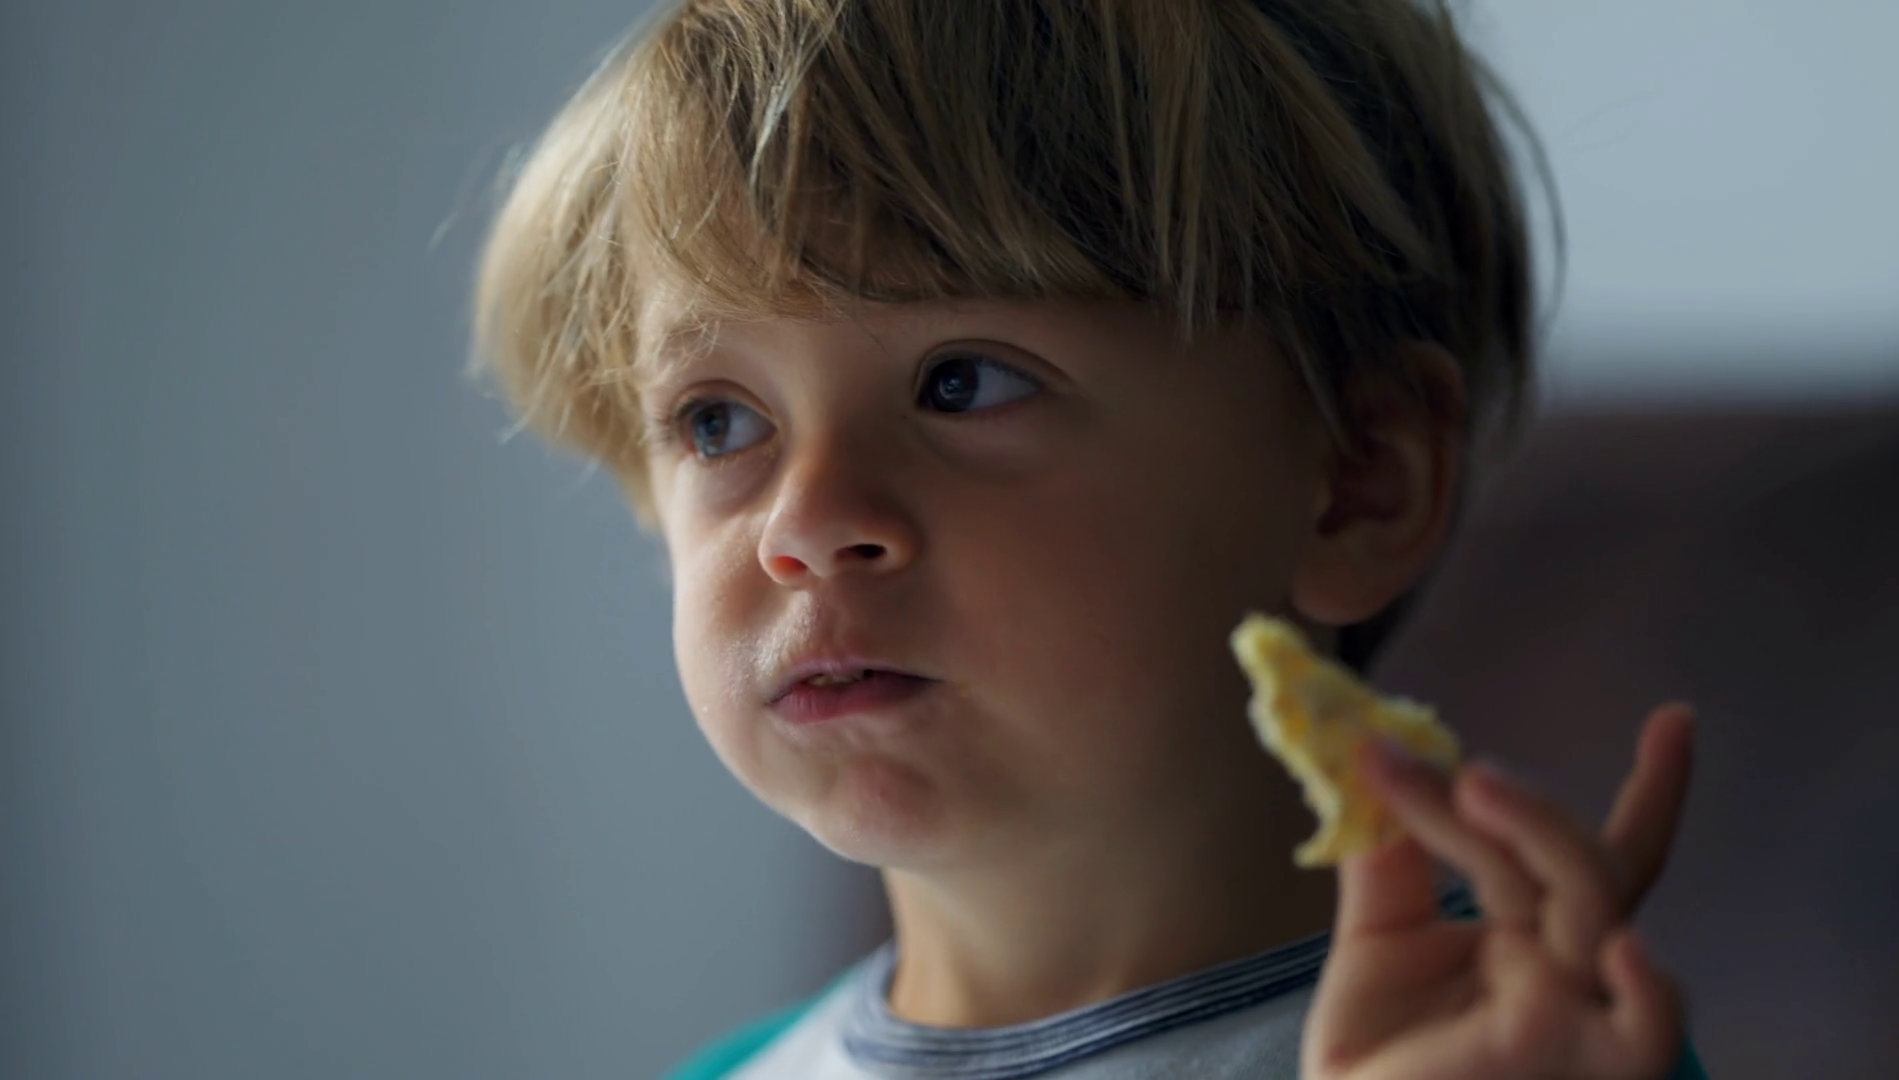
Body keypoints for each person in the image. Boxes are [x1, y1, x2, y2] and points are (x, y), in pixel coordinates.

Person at [469, 2, 1710, 1076]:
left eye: (962, 382)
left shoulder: (1512, 1052)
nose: (806, 524)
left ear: (1355, 482)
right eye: (720, 419)